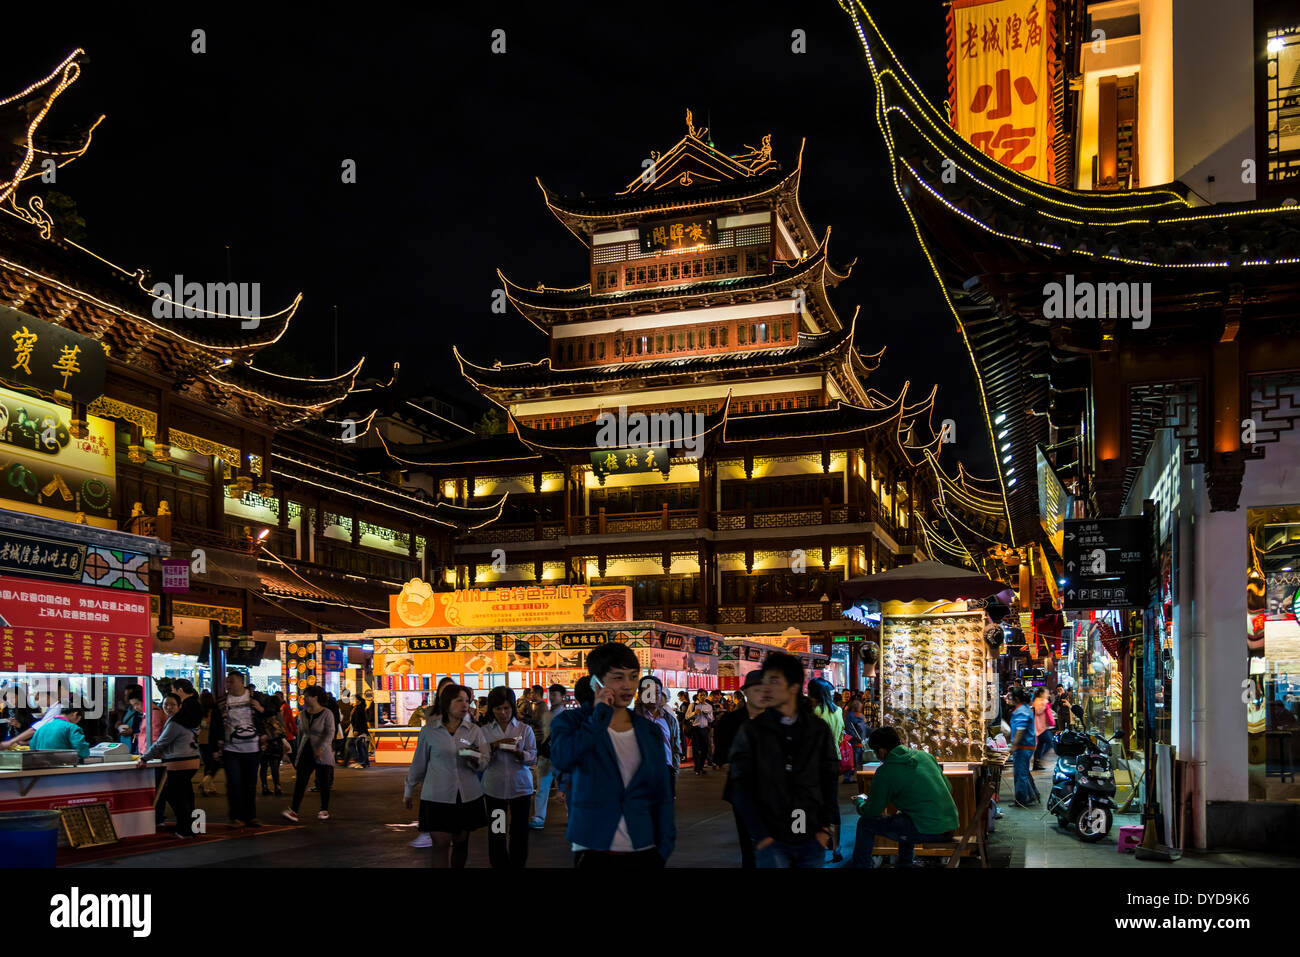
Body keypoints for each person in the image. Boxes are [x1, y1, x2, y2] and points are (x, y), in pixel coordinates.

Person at [550, 642, 676, 868]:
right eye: (618, 677)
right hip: (593, 844)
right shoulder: (571, 722)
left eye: (633, 676)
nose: (628, 686)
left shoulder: (648, 731)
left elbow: (661, 792)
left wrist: (664, 844)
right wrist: (599, 715)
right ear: (596, 682)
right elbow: (563, 759)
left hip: (644, 845)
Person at [728, 651, 838, 869]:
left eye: (774, 681)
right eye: (765, 680)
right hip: (771, 837)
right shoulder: (753, 731)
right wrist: (760, 834)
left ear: (794, 687)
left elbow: (829, 778)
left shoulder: (817, 729)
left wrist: (824, 827)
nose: (766, 687)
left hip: (810, 835)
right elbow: (740, 784)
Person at [404, 683, 489, 868]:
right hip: (437, 795)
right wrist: (409, 789)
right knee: (440, 843)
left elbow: (485, 760)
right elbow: (419, 763)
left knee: (460, 842)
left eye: (467, 700)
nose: (465, 704)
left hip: (467, 795)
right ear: (446, 703)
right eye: (459, 700)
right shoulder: (429, 731)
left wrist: (475, 760)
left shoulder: (474, 730)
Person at [850, 726, 961, 868]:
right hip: (950, 825)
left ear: (882, 751)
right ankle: (905, 863)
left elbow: (872, 811)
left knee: (865, 824)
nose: (877, 757)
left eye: (876, 753)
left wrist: (860, 802)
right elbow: (949, 788)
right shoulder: (925, 756)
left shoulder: (886, 771)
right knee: (903, 817)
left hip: (930, 830)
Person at [714, 670, 768, 868]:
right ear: (745, 692)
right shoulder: (730, 722)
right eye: (756, 689)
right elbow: (720, 755)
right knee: (750, 845)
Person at [481, 686, 537, 868]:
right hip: (495, 791)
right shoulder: (485, 731)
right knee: (497, 833)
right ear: (492, 709)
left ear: (512, 707)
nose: (503, 713)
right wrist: (494, 746)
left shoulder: (524, 729)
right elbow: (478, 760)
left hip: (520, 789)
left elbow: (533, 756)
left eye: (506, 708)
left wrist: (523, 755)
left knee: (519, 833)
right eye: (498, 709)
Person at [140, 693, 200, 838]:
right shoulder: (186, 720)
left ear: (180, 706)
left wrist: (144, 758)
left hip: (179, 763)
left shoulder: (174, 723)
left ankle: (184, 829)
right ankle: (190, 828)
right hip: (192, 761)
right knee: (185, 797)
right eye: (166, 704)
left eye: (172, 704)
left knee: (174, 796)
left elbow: (161, 743)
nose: (168, 707)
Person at [214, 670, 266, 828]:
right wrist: (216, 747)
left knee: (250, 784)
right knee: (234, 783)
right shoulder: (222, 702)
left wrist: (260, 709)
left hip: (253, 747)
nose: (228, 685)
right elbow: (216, 726)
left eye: (231, 681)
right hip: (231, 749)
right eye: (227, 682)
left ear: (241, 682)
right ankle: (236, 817)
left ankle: (251, 816)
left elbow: (270, 715)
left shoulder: (255, 698)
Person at [282, 685, 335, 823]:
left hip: (322, 752)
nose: (304, 699)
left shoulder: (327, 713)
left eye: (306, 696)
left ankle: (324, 809)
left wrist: (322, 748)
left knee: (323, 782)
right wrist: (295, 751)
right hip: (306, 750)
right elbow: (300, 733)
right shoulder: (303, 714)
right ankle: (294, 811)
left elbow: (330, 733)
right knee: (301, 781)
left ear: (315, 697)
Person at [807, 676, 846, 862]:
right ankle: (836, 847)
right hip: (833, 762)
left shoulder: (812, 713)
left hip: (814, 763)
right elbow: (840, 737)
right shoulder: (838, 711)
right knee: (832, 804)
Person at [530, 683, 568, 829]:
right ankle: (539, 818)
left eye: (554, 694)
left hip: (561, 758)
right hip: (545, 757)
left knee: (567, 789)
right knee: (542, 788)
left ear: (562, 697)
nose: (551, 697)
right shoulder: (546, 714)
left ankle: (572, 817)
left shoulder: (566, 716)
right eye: (550, 694)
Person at [634, 675, 676, 795]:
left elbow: (674, 746)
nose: (653, 696)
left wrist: (674, 771)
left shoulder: (669, 719)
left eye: (656, 692)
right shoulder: (631, 719)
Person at [1009, 687, 1040, 807]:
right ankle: (1032, 794)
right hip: (1025, 746)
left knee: (1020, 774)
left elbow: (1020, 731)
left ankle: (1021, 800)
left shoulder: (1022, 711)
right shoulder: (1024, 709)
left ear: (1016, 698)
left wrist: (1013, 745)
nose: (1009, 699)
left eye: (1011, 697)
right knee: (1024, 772)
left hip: (1023, 747)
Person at [259, 694, 287, 796]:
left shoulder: (261, 713)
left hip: (263, 742)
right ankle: (277, 786)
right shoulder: (276, 713)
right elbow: (282, 725)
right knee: (274, 766)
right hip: (275, 741)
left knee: (263, 766)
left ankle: (264, 787)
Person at [197, 690, 221, 795]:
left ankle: (210, 787)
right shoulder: (215, 711)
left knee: (208, 764)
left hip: (201, 741)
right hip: (212, 741)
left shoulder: (199, 712)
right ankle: (205, 783)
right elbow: (218, 727)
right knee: (214, 764)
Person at [686, 690, 713, 775]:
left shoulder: (709, 706)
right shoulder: (693, 705)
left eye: (704, 695)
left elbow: (711, 719)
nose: (702, 697)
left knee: (705, 749)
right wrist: (694, 713)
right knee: (696, 749)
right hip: (695, 729)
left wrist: (706, 715)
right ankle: (697, 768)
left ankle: (701, 767)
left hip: (705, 729)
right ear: (697, 696)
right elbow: (687, 716)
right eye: (701, 695)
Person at [844, 698, 870, 783]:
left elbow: (864, 728)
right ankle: (847, 777)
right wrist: (855, 737)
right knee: (853, 760)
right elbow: (849, 728)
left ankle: (852, 776)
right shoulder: (851, 716)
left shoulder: (861, 715)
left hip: (861, 741)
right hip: (854, 742)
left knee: (858, 761)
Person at [1032, 687, 1054, 770]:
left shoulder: (1039, 701)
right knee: (1050, 743)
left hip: (1042, 726)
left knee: (1040, 745)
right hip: (1041, 727)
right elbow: (1038, 711)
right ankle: (1038, 760)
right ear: (1041, 694)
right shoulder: (1039, 701)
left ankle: (1036, 764)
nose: (1047, 695)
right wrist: (1045, 704)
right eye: (1046, 693)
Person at [348, 693, 370, 768]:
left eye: (356, 700)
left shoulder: (359, 708)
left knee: (360, 745)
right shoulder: (360, 708)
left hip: (360, 730)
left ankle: (362, 762)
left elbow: (358, 720)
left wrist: (356, 730)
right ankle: (364, 761)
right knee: (361, 746)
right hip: (361, 729)